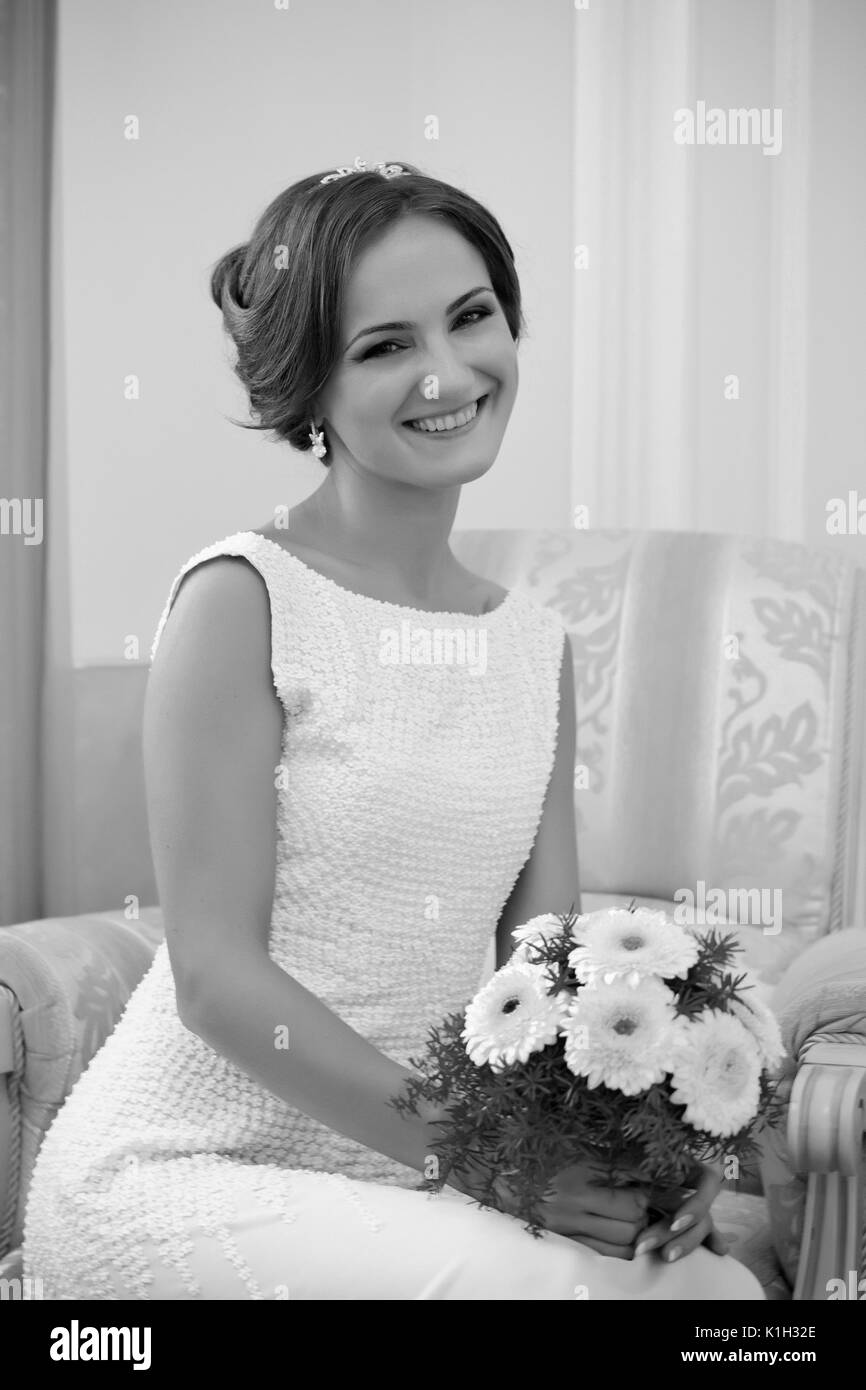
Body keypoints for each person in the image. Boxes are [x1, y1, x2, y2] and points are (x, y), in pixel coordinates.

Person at [23, 160, 763, 1300]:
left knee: (715, 1295)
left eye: (470, 318)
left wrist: (653, 1152)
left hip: (412, 1175)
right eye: (382, 346)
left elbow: (545, 974)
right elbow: (216, 978)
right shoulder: (241, 597)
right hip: (184, 1168)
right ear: (307, 390)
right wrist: (481, 1158)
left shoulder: (533, 646)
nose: (445, 372)